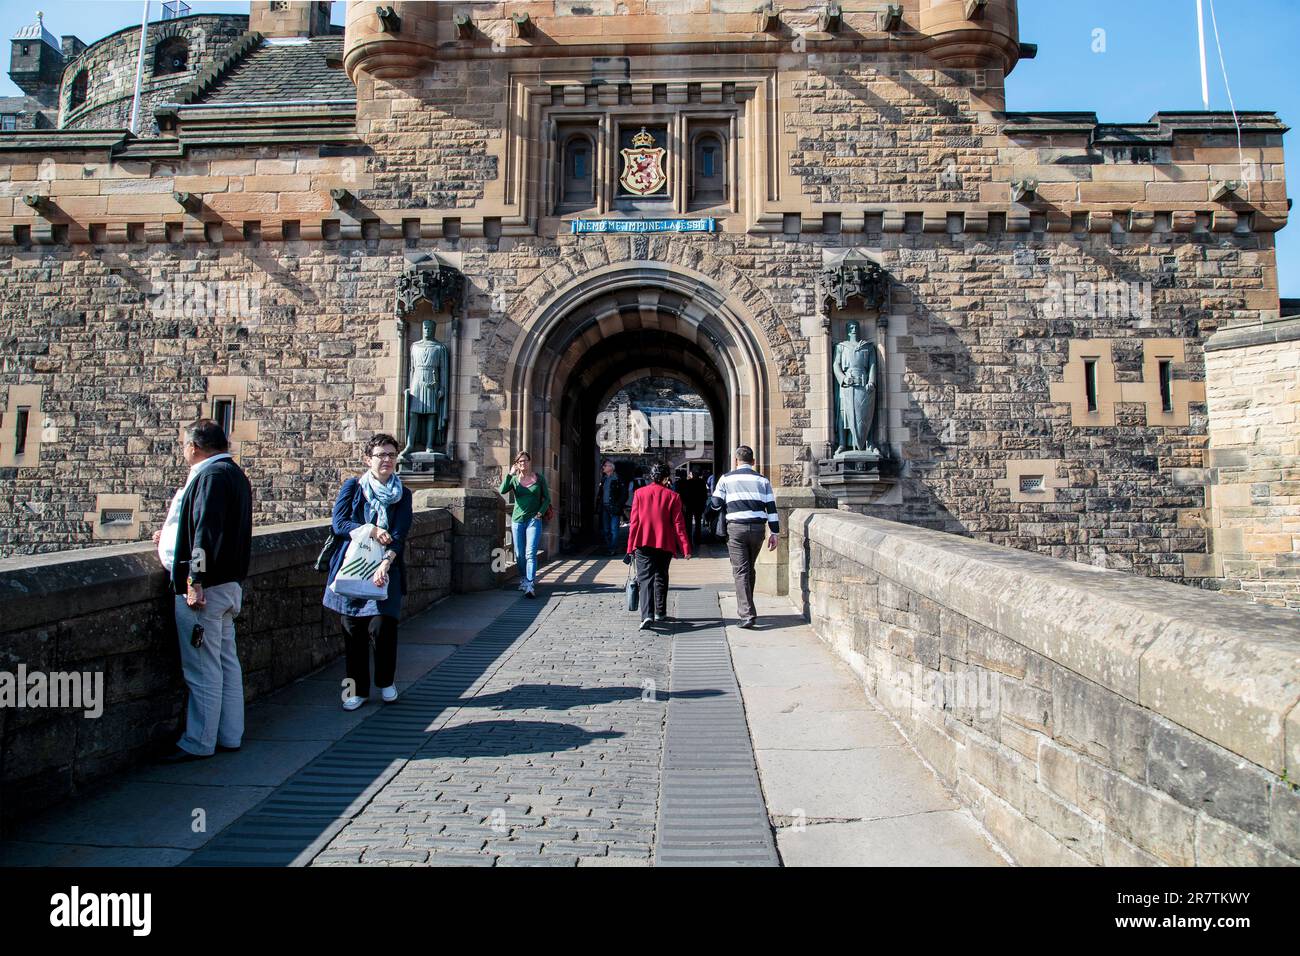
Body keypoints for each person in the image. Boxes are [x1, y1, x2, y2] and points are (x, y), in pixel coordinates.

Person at [154, 419, 253, 762]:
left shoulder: (209, 476)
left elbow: (206, 533)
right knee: (226, 663)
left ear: (194, 447)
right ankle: (229, 735)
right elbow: (207, 528)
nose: (183, 451)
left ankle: (199, 742)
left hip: (206, 590)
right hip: (228, 585)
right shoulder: (234, 474)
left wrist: (194, 580)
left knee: (202, 668)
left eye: (184, 445)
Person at [322, 433, 413, 712]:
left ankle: (385, 681)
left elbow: (400, 532)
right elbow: (339, 523)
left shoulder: (403, 494)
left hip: (387, 566)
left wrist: (386, 563)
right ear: (368, 459)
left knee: (383, 625)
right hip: (353, 566)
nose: (386, 459)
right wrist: (371, 529)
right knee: (353, 629)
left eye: (391, 455)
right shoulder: (353, 487)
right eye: (380, 455)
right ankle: (357, 690)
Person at [709, 445, 778, 629]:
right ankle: (749, 604)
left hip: (736, 529)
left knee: (741, 570)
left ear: (736, 461)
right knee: (749, 568)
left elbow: (715, 503)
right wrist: (775, 533)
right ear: (753, 461)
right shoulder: (763, 480)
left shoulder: (726, 479)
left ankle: (747, 614)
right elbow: (771, 508)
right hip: (758, 529)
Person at [625, 461, 692, 630]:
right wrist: (685, 548)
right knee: (661, 576)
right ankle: (660, 612)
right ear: (665, 478)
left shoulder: (639, 494)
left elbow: (634, 523)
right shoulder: (673, 496)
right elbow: (679, 525)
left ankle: (647, 615)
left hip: (643, 541)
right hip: (664, 542)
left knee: (645, 579)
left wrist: (629, 547)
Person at [499, 450, 550, 598]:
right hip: (517, 520)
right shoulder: (514, 480)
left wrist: (540, 513)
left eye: (526, 461)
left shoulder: (539, 479)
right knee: (520, 554)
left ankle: (529, 582)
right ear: (517, 464)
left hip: (534, 519)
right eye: (520, 461)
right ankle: (523, 578)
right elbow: (502, 490)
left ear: (529, 462)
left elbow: (546, 498)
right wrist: (510, 473)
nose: (523, 463)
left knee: (530, 552)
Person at [596, 458, 628, 555]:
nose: (603, 467)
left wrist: (618, 505)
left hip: (614, 508)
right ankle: (610, 547)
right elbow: (600, 495)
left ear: (611, 467)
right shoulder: (604, 479)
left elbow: (624, 494)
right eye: (603, 466)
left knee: (614, 529)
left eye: (605, 466)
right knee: (606, 530)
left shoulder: (618, 479)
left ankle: (612, 549)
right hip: (605, 508)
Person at [680, 469, 708, 548]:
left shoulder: (689, 482)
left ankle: (689, 539)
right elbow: (704, 495)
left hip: (690, 505)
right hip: (698, 505)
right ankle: (697, 539)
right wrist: (703, 504)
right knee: (697, 522)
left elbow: (686, 494)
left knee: (689, 523)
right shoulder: (702, 482)